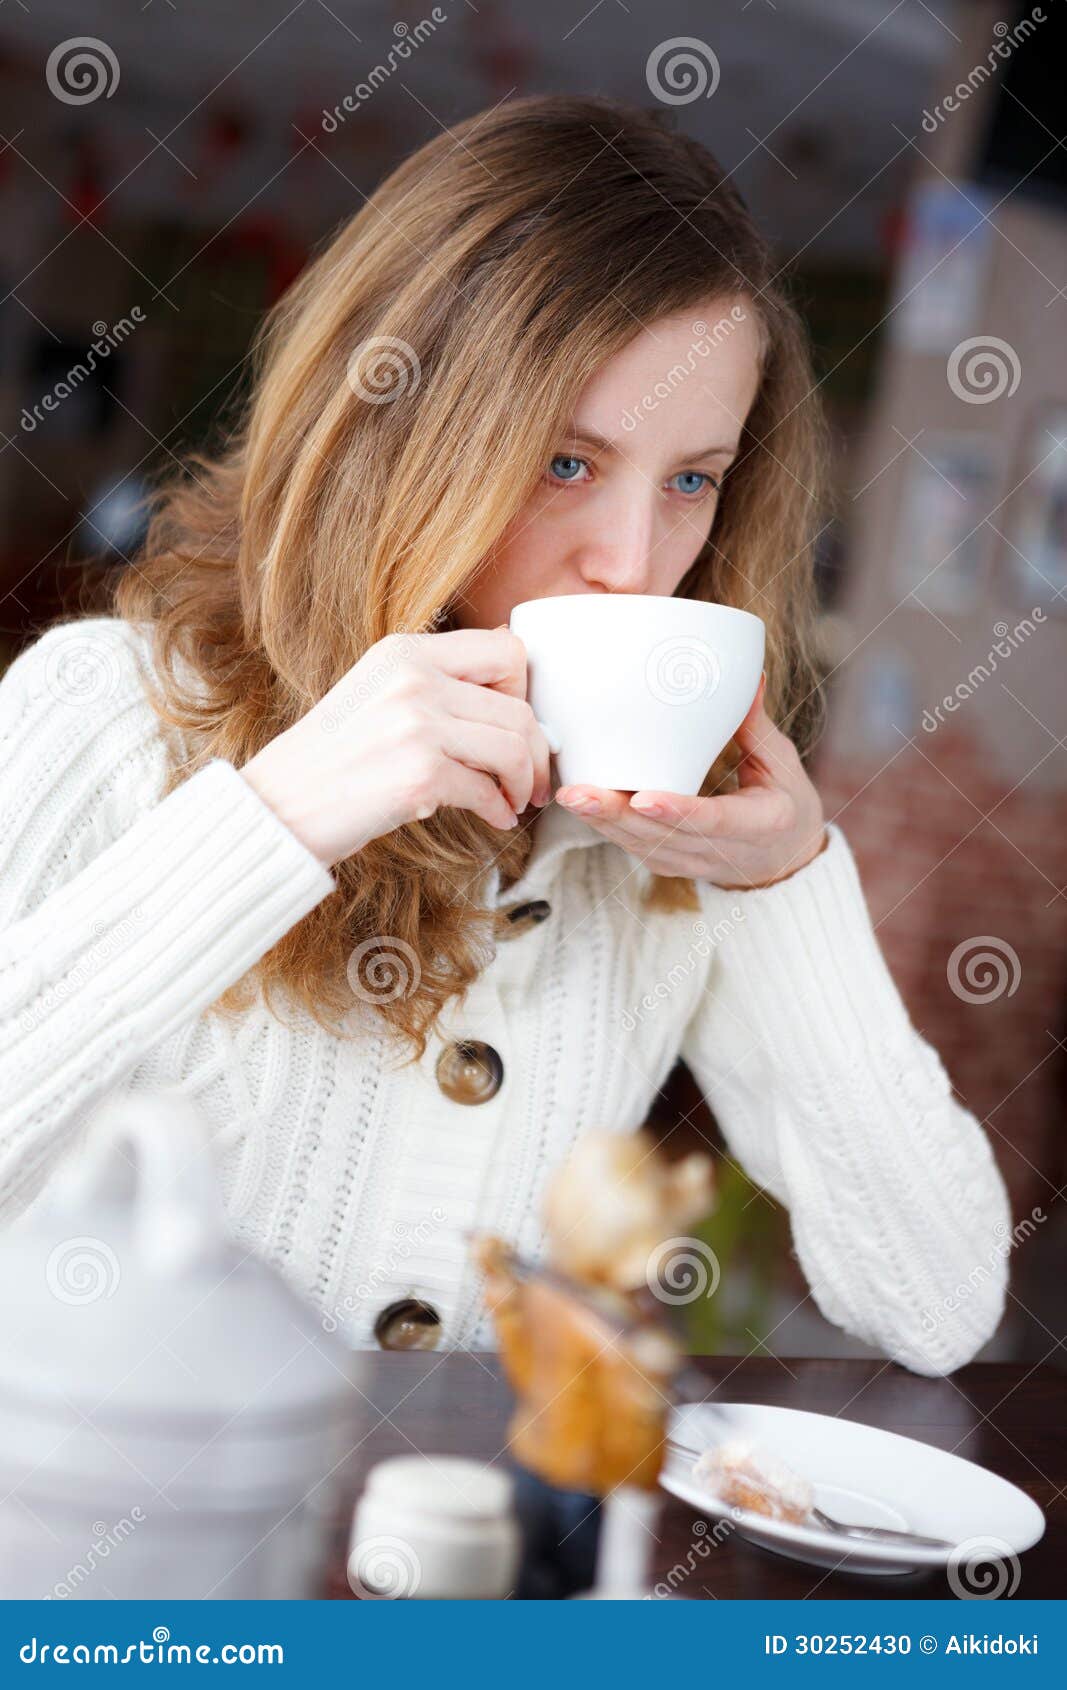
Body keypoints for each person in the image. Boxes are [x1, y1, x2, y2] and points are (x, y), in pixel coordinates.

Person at [0, 95, 1009, 1373]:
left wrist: (786, 887)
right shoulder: (108, 709)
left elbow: (937, 1308)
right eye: (564, 462)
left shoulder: (665, 850)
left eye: (689, 479)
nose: (631, 560)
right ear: (397, 434)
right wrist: (272, 823)